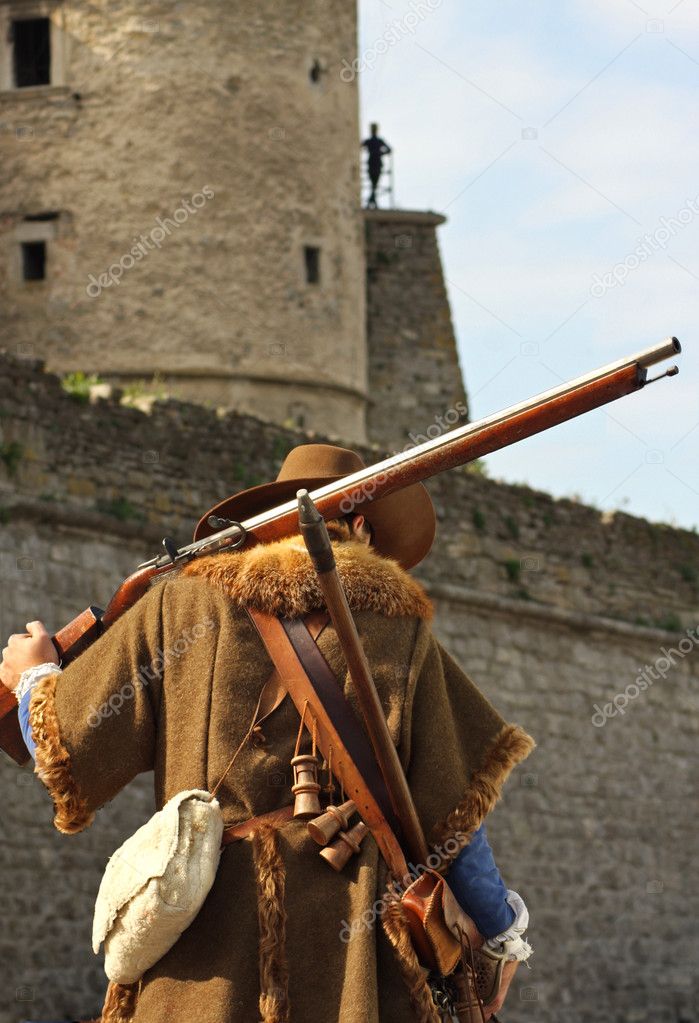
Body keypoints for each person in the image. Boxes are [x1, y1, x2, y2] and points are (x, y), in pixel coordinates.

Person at [1, 443, 535, 1023]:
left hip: (201, 961)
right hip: (356, 969)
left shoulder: (179, 607)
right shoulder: (403, 635)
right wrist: (503, 931)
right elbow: (454, 822)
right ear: (360, 526)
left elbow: (68, 752)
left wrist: (34, 673)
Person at [362, 123, 392, 208]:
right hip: (374, 164)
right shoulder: (374, 141)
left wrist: (380, 153)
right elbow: (389, 150)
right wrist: (380, 153)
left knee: (374, 184)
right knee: (374, 184)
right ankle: (372, 202)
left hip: (375, 164)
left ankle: (371, 202)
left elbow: (389, 150)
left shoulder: (375, 141)